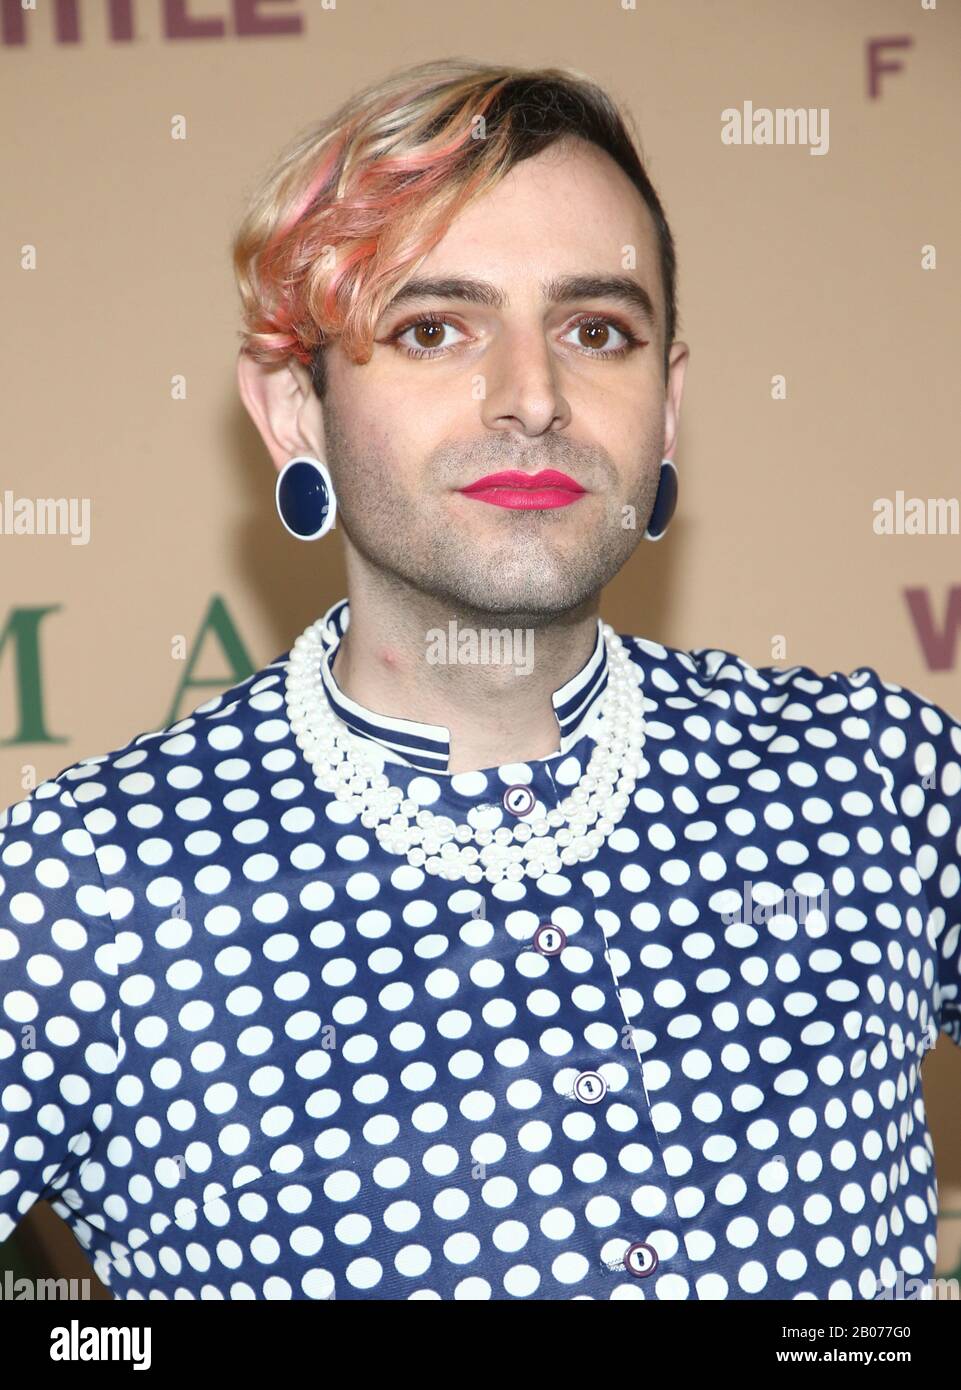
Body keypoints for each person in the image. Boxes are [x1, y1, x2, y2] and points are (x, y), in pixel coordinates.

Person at [1, 57, 959, 1303]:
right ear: (296, 410)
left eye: (595, 329)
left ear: (665, 412)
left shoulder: (873, 781)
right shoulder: (88, 888)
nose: (532, 398)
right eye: (433, 327)